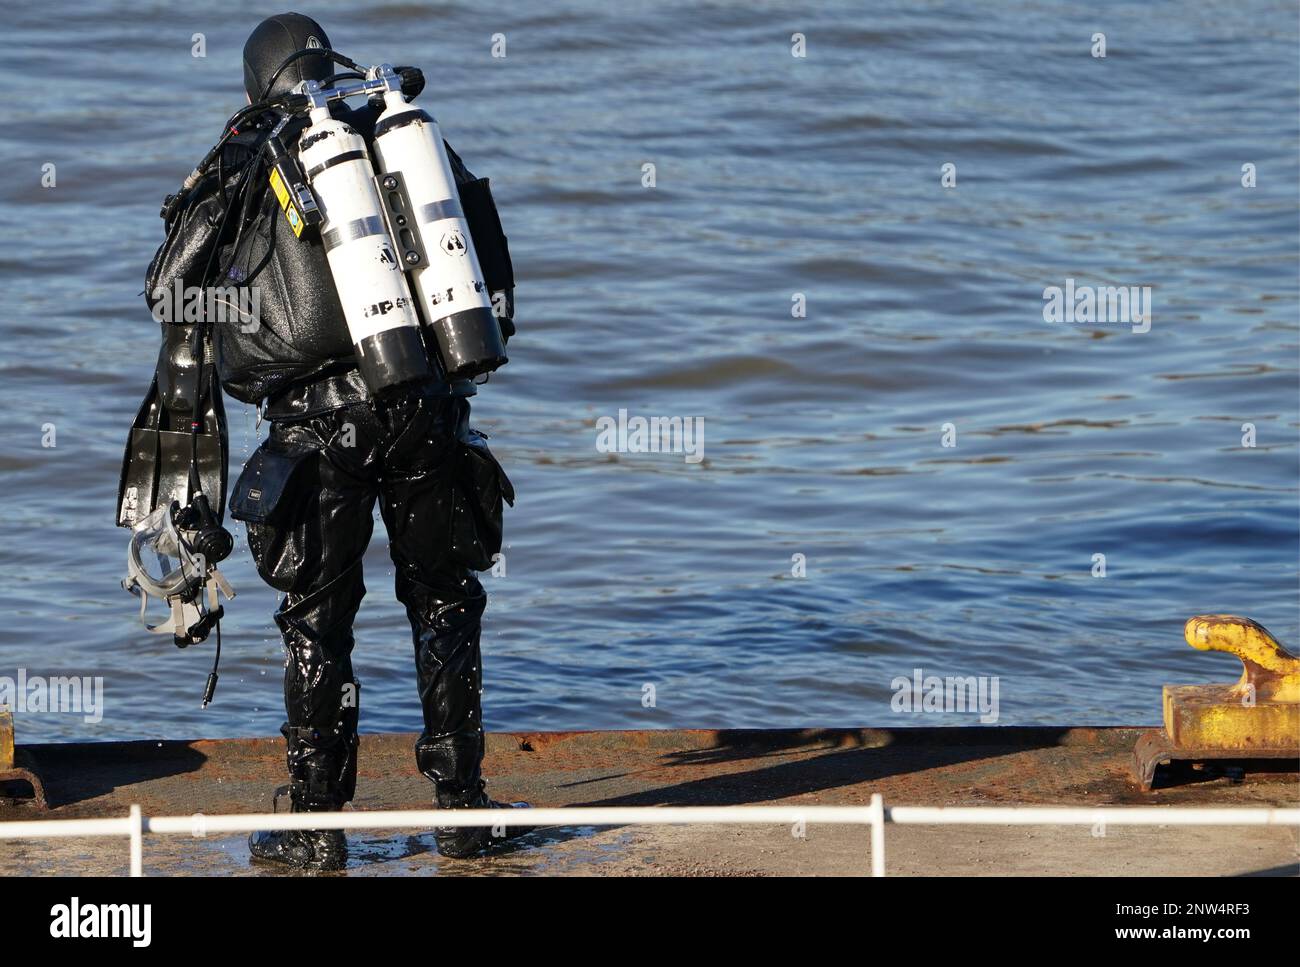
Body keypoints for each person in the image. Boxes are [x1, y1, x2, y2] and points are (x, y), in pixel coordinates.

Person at [123, 12, 523, 871]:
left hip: (318, 427)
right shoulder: (398, 129)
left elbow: (168, 292)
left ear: (255, 81)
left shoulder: (256, 146)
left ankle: (317, 826)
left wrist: (241, 313)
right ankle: (465, 811)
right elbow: (489, 267)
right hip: (428, 405)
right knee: (447, 602)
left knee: (317, 623)